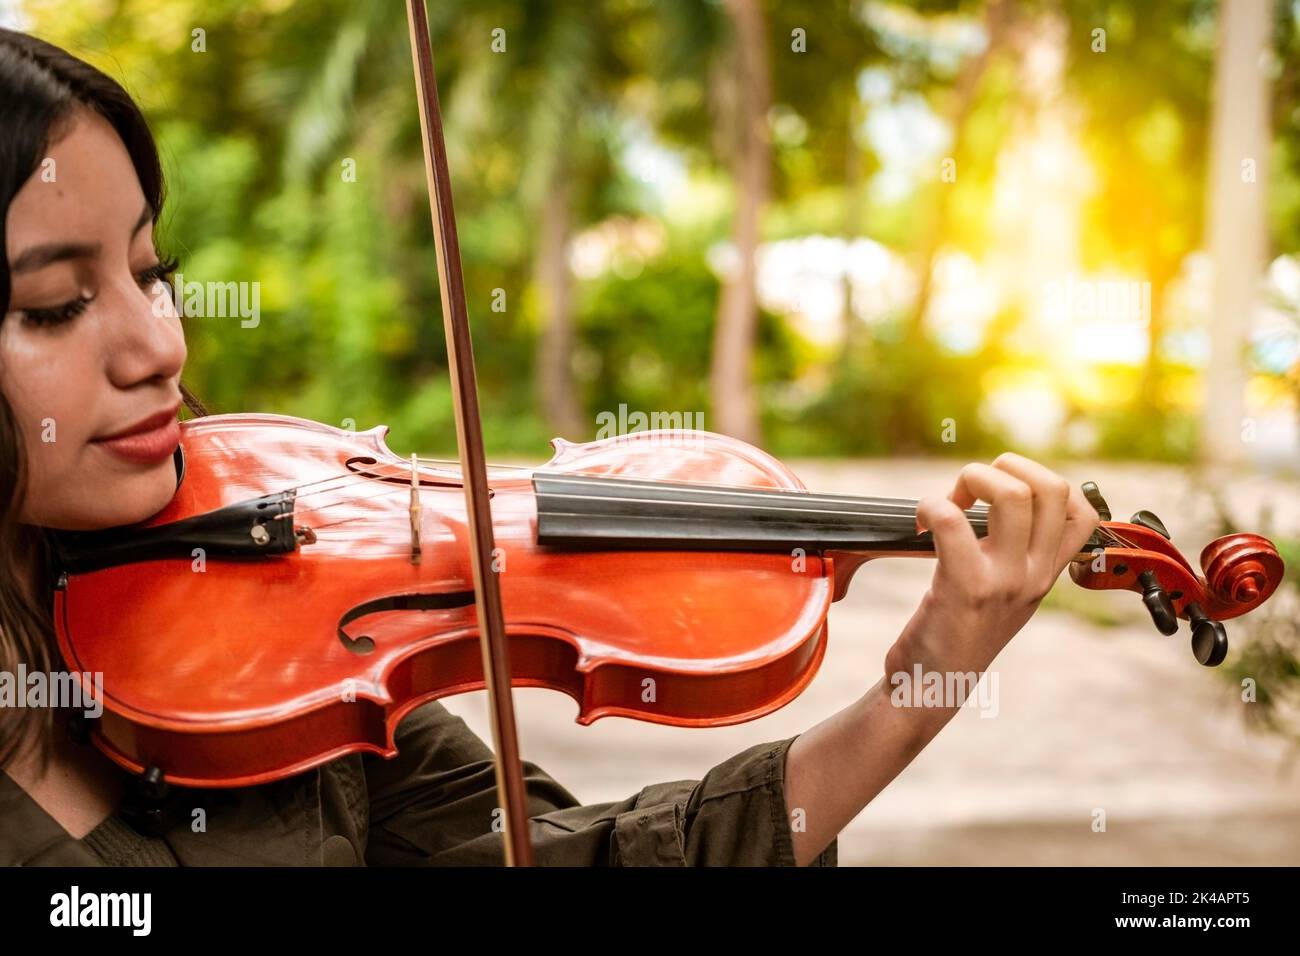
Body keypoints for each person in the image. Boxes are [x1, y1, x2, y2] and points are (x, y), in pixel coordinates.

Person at [0, 28, 1099, 867]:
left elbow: (578, 857)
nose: (157, 344)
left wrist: (918, 683)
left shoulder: (261, 611)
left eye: (152, 270)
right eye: (54, 304)